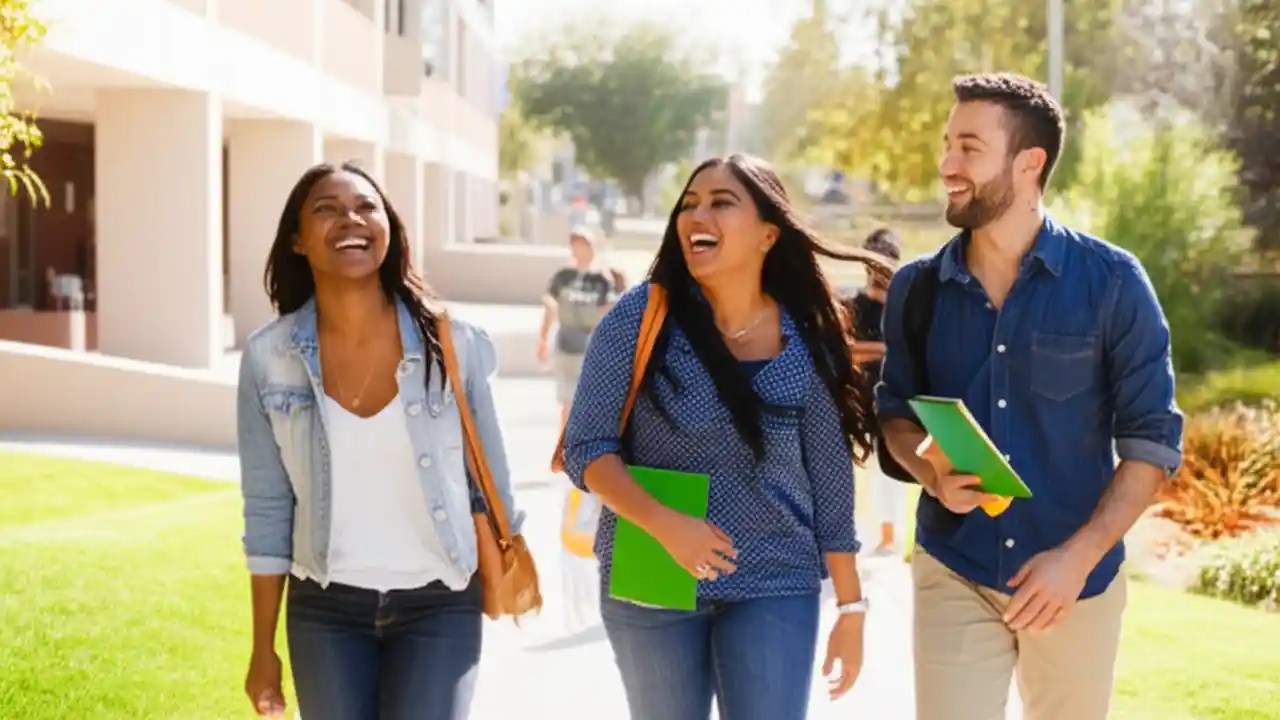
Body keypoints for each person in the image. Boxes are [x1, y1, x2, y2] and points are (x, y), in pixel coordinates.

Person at [876, 73, 1184, 720]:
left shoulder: (1112, 284)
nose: (947, 165)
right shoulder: (917, 288)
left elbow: (1151, 445)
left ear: (1029, 163)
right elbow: (895, 413)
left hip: (1074, 584)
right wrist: (931, 470)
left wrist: (1076, 560)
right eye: (947, 145)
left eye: (968, 147)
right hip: (955, 567)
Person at [560, 153, 893, 719]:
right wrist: (667, 525)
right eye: (689, 204)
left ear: (768, 234)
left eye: (720, 203)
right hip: (653, 572)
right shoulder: (640, 318)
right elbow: (587, 447)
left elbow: (831, 484)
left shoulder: (806, 333)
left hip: (776, 582)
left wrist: (852, 608)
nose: (697, 216)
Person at [236, 161, 522, 720]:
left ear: (388, 230)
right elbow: (267, 509)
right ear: (298, 241)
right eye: (327, 208)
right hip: (325, 607)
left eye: (366, 207)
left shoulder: (452, 343)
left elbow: (495, 480)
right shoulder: (269, 359)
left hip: (440, 602)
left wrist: (505, 569)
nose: (351, 219)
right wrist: (262, 647)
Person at [537, 226, 624, 631]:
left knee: (582, 406)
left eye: (583, 244)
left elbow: (608, 313)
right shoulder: (563, 277)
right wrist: (543, 339)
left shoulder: (601, 280)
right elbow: (550, 309)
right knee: (564, 404)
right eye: (573, 244)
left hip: (591, 348)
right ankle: (565, 453)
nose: (578, 250)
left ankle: (578, 448)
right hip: (566, 347)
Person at [842, 227, 905, 555]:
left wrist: (875, 350)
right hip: (851, 397)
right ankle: (842, 532)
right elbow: (842, 348)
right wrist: (882, 349)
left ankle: (888, 536)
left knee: (890, 470)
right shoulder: (850, 307)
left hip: (890, 397)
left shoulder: (903, 310)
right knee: (841, 467)